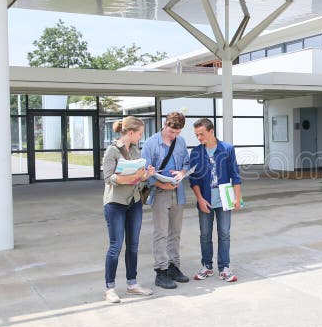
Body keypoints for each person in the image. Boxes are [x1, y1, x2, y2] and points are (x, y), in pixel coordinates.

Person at [101, 116, 155, 303]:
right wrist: (130, 177)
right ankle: (109, 288)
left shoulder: (134, 150)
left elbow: (139, 178)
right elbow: (109, 178)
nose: (141, 137)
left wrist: (146, 175)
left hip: (135, 202)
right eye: (139, 133)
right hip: (115, 203)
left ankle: (132, 284)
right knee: (115, 246)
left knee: (133, 245)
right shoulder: (112, 151)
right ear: (130, 133)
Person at [189, 118, 242, 282]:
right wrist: (200, 199)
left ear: (211, 131)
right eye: (197, 135)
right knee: (205, 235)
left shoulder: (227, 149)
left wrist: (237, 198)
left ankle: (224, 268)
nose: (199, 138)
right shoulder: (196, 152)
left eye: (201, 134)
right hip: (205, 199)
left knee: (224, 234)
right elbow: (194, 180)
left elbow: (235, 174)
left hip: (225, 199)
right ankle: (207, 266)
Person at [142, 112, 191, 289]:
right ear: (165, 124)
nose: (174, 135)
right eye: (171, 132)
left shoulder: (181, 141)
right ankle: (160, 271)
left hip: (178, 193)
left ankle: (173, 266)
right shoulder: (150, 143)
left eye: (177, 133)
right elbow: (145, 173)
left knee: (175, 233)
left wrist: (182, 173)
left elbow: (186, 162)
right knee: (161, 233)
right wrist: (163, 185)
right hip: (160, 193)